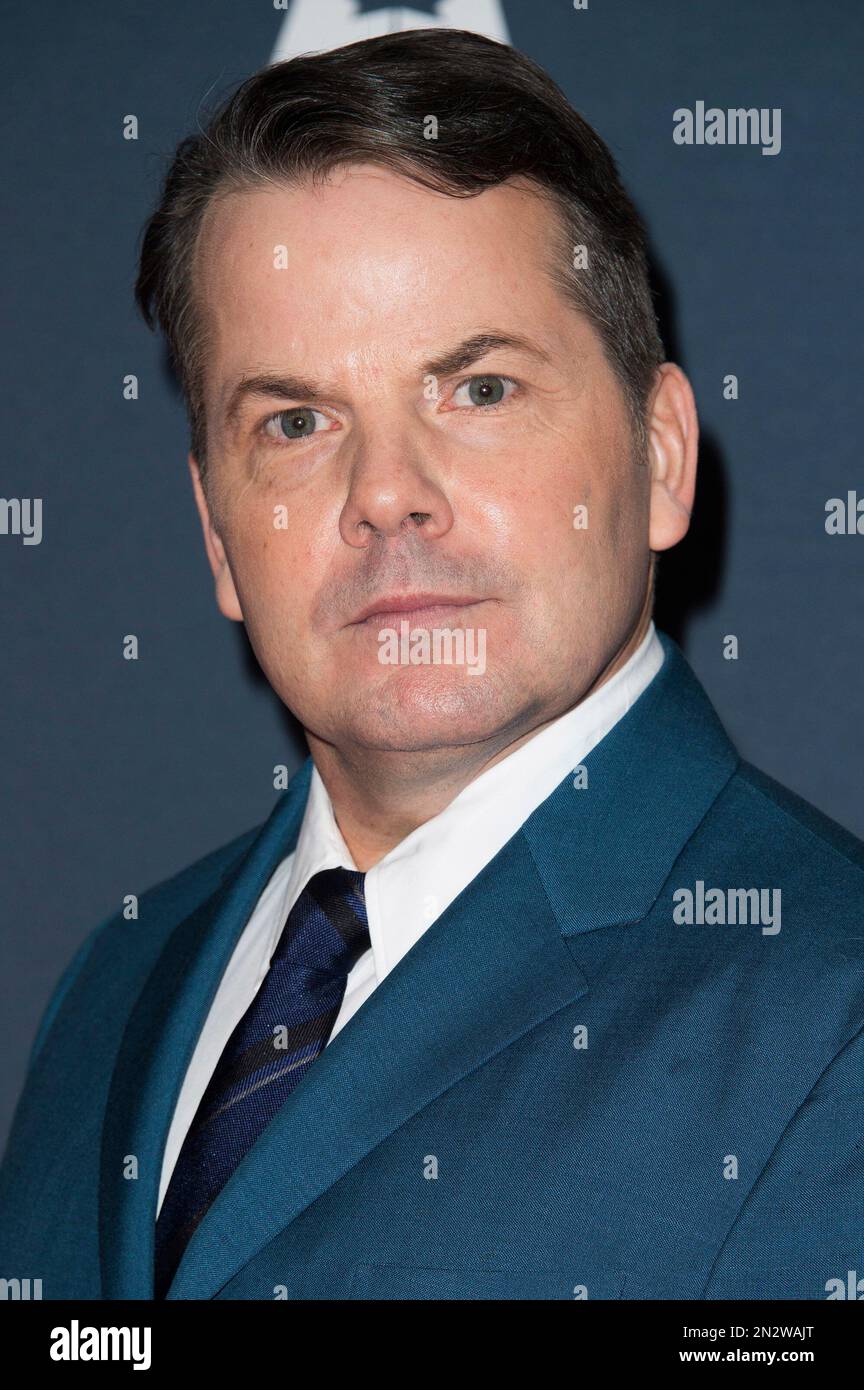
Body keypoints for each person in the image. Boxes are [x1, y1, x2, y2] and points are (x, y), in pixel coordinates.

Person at [1, 28, 861, 1302]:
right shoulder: (116, 984)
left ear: (662, 454)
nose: (386, 495)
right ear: (217, 535)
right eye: (296, 422)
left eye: (479, 389)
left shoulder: (834, 1014)